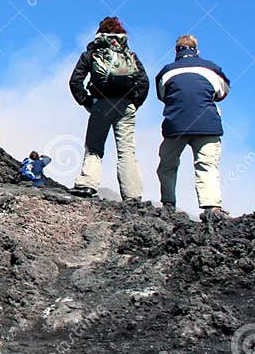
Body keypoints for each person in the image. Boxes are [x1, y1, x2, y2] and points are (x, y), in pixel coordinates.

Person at [68, 17, 149, 200]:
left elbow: (75, 81)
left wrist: (87, 101)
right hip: (126, 105)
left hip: (101, 104)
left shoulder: (93, 53)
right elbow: (144, 82)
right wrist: (134, 103)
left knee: (94, 147)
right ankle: (133, 195)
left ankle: (87, 185)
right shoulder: (130, 54)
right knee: (126, 151)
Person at [154, 35, 230, 218]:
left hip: (175, 126)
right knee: (207, 165)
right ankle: (212, 207)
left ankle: (168, 204)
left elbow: (162, 95)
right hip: (207, 125)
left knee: (167, 165)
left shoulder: (166, 71)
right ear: (197, 50)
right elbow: (222, 92)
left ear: (175, 51)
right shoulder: (211, 68)